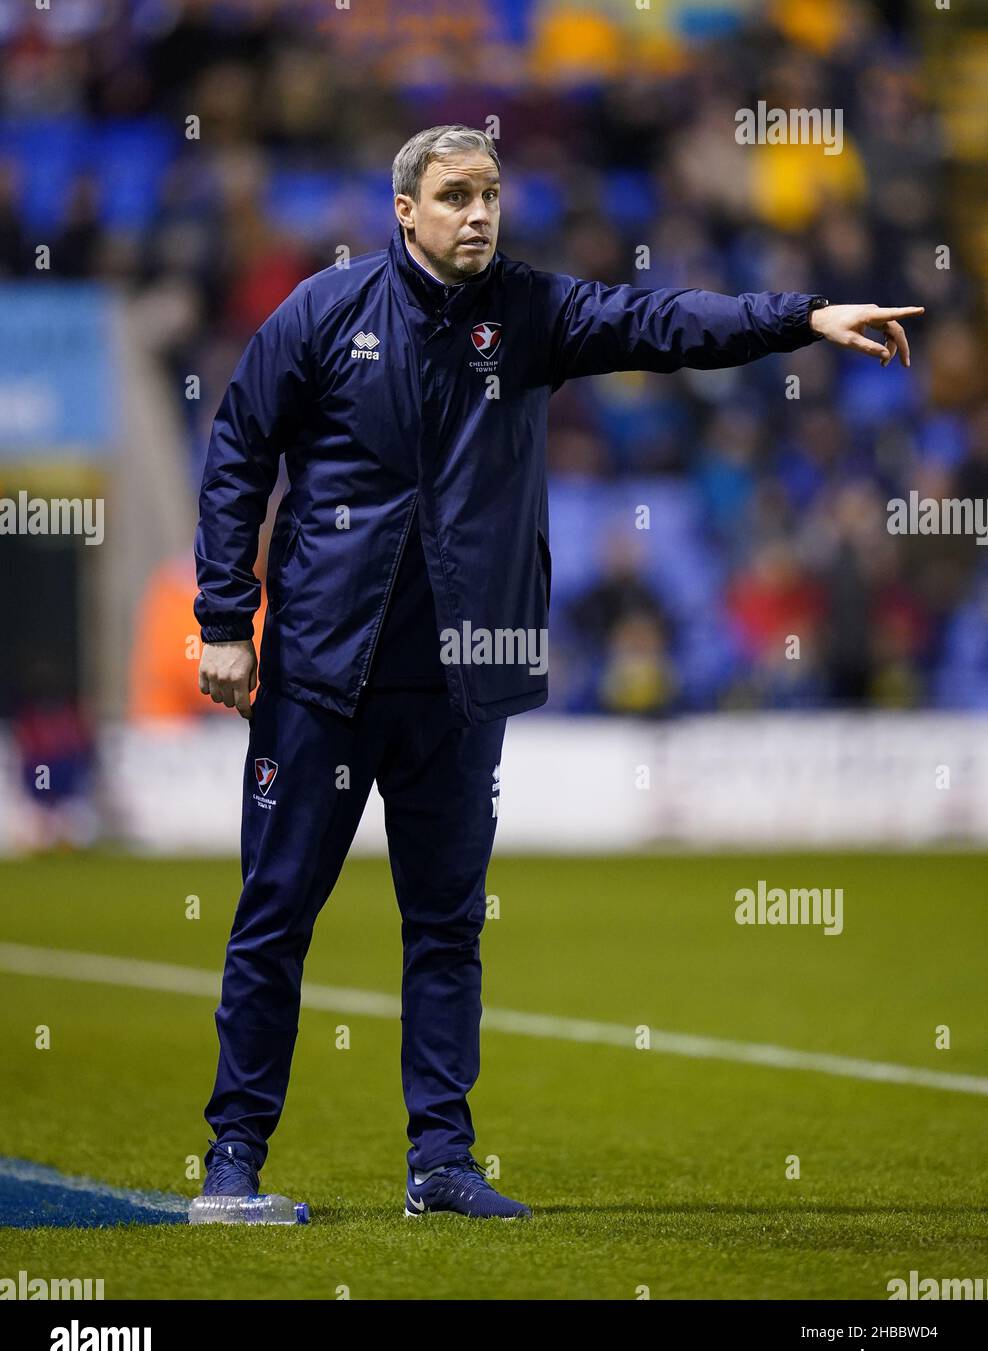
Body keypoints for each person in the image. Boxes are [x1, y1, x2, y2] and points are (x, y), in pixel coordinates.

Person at [193, 123, 923, 1219]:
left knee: (446, 926)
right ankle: (232, 1162)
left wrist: (801, 317)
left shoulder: (528, 313)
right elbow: (238, 449)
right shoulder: (323, 312)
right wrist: (222, 617)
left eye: (489, 194)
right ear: (405, 212)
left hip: (461, 683)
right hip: (320, 678)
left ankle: (441, 1164)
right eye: (454, 197)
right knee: (274, 917)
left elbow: (661, 320)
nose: (478, 214)